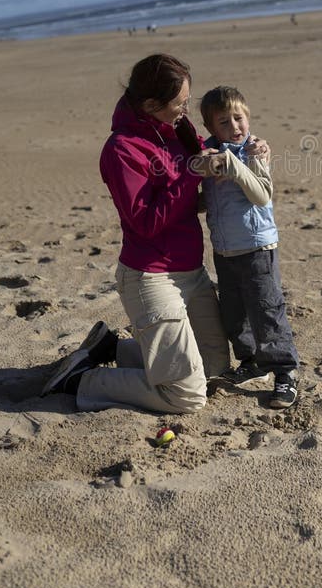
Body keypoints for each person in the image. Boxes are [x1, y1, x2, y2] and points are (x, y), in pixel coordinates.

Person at [41, 55, 269, 414]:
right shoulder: (121, 151)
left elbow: (212, 155)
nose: (185, 111)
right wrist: (193, 173)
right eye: (179, 105)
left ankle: (113, 350)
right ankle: (80, 380)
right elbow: (146, 221)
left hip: (192, 273)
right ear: (150, 105)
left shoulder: (177, 128)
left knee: (214, 370)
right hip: (150, 277)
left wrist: (253, 152)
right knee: (186, 395)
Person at [197, 86, 299, 409]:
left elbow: (261, 195)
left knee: (266, 310)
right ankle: (251, 361)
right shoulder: (209, 156)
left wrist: (235, 167)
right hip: (225, 251)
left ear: (248, 117)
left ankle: (284, 372)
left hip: (257, 247)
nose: (235, 127)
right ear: (212, 128)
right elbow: (206, 197)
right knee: (234, 313)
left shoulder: (253, 151)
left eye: (238, 118)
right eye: (224, 122)